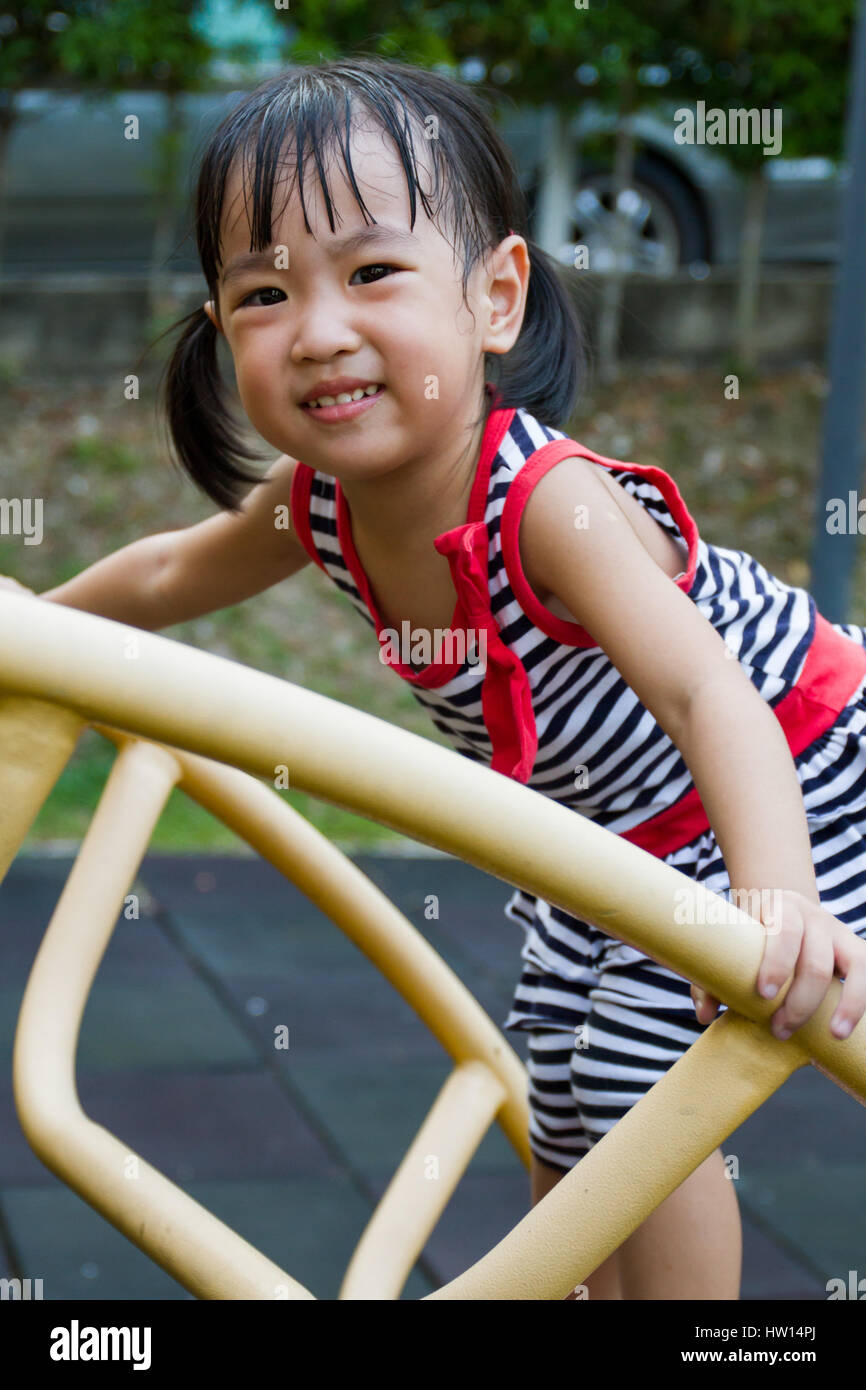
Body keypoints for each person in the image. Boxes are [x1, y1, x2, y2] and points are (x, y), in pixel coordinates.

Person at [4, 56, 866, 1300]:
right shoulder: (318, 505)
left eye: (370, 273)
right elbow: (163, 574)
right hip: (604, 830)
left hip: (789, 774)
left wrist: (770, 894)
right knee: (560, 1091)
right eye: (261, 294)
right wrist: (35, 628)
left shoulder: (544, 503)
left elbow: (705, 695)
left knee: (640, 1096)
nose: (319, 330)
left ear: (494, 295)